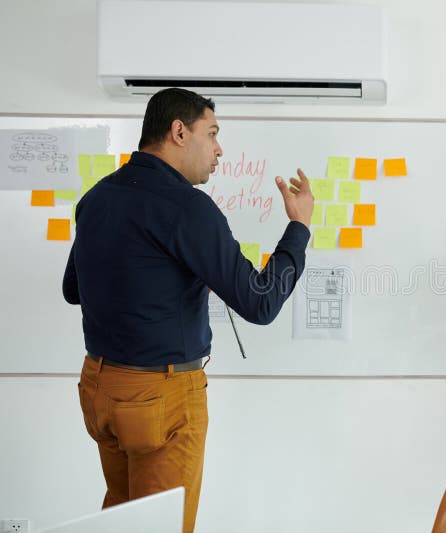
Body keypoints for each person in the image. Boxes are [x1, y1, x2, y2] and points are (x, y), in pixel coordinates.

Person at [62, 88, 313, 533]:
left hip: (100, 389)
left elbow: (73, 289)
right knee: (159, 526)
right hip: (161, 399)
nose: (219, 150)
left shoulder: (96, 198)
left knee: (122, 520)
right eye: (212, 133)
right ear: (179, 132)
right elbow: (260, 302)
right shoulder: (187, 207)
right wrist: (298, 228)